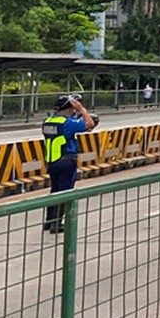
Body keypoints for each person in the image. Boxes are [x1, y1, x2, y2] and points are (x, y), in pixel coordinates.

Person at [42, 94, 97, 233]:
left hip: (52, 161)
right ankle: (57, 224)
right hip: (67, 160)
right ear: (69, 108)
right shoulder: (67, 124)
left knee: (54, 190)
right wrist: (82, 110)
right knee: (65, 192)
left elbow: (68, 124)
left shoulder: (48, 121)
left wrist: (76, 114)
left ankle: (49, 221)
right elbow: (90, 124)